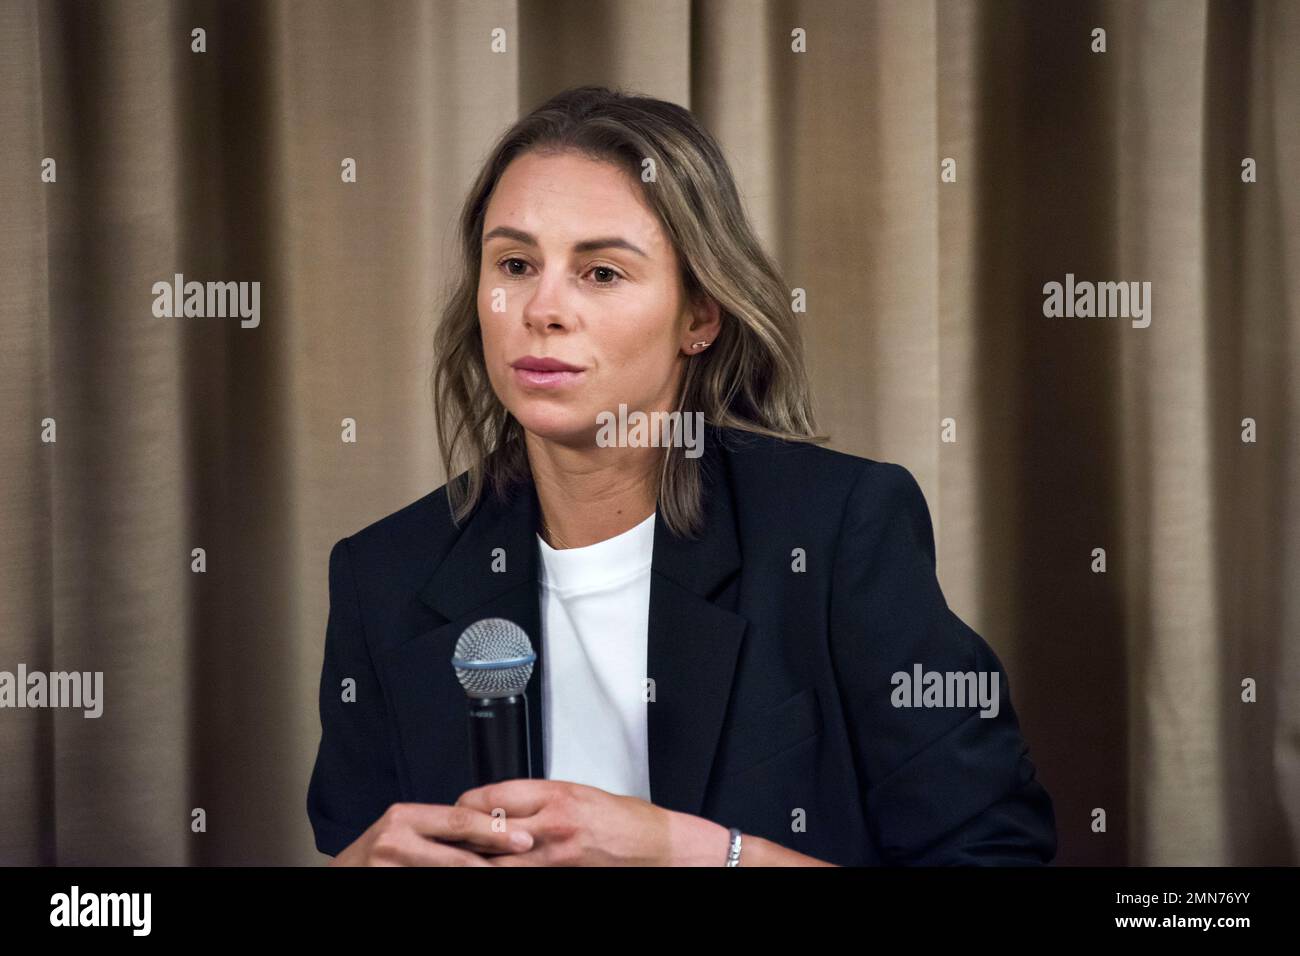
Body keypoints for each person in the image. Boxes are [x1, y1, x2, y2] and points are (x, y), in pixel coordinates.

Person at [306, 85, 1056, 866]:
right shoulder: (384, 577)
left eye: (601, 273)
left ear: (699, 316)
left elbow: (997, 856)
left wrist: (688, 851)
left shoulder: (837, 533)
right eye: (517, 263)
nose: (543, 308)